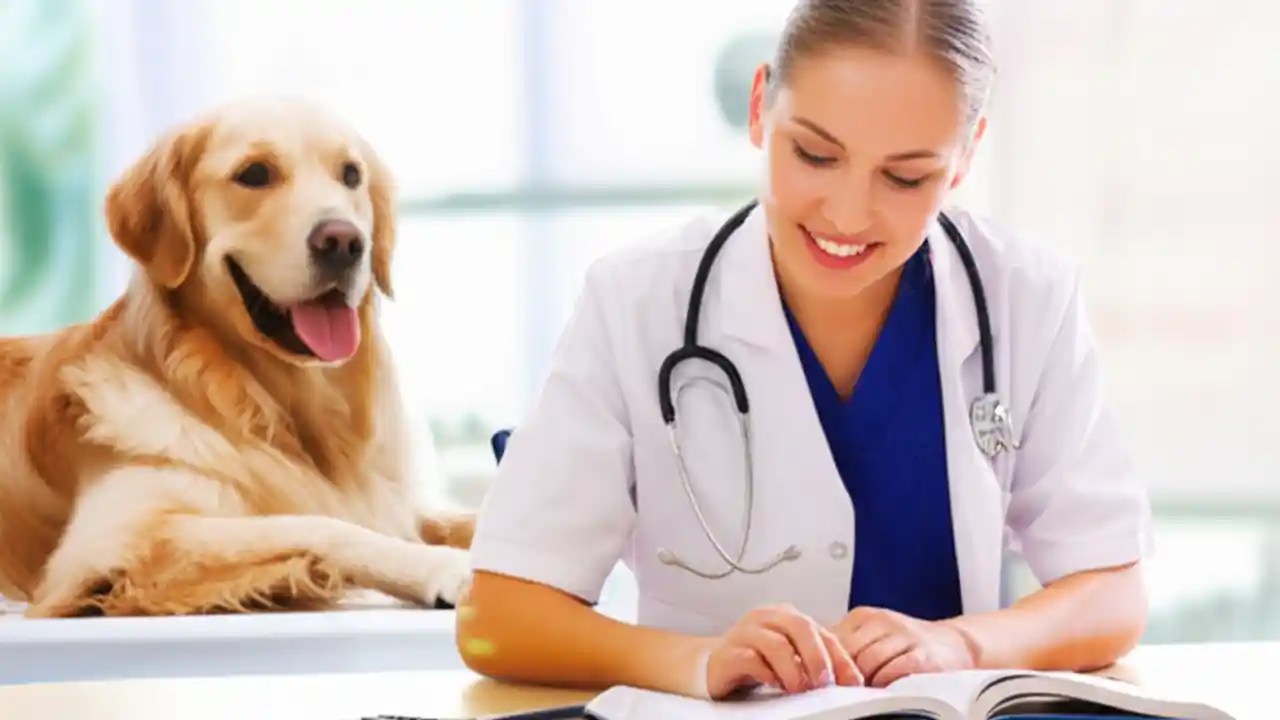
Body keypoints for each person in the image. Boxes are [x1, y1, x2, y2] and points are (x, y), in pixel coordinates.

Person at [457, 0, 1152, 701]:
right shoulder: (636, 303)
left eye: (905, 177)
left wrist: (960, 644)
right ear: (761, 106)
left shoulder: (1026, 298)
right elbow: (496, 619)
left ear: (968, 152)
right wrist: (698, 663)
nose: (848, 215)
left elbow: (1114, 591)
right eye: (816, 154)